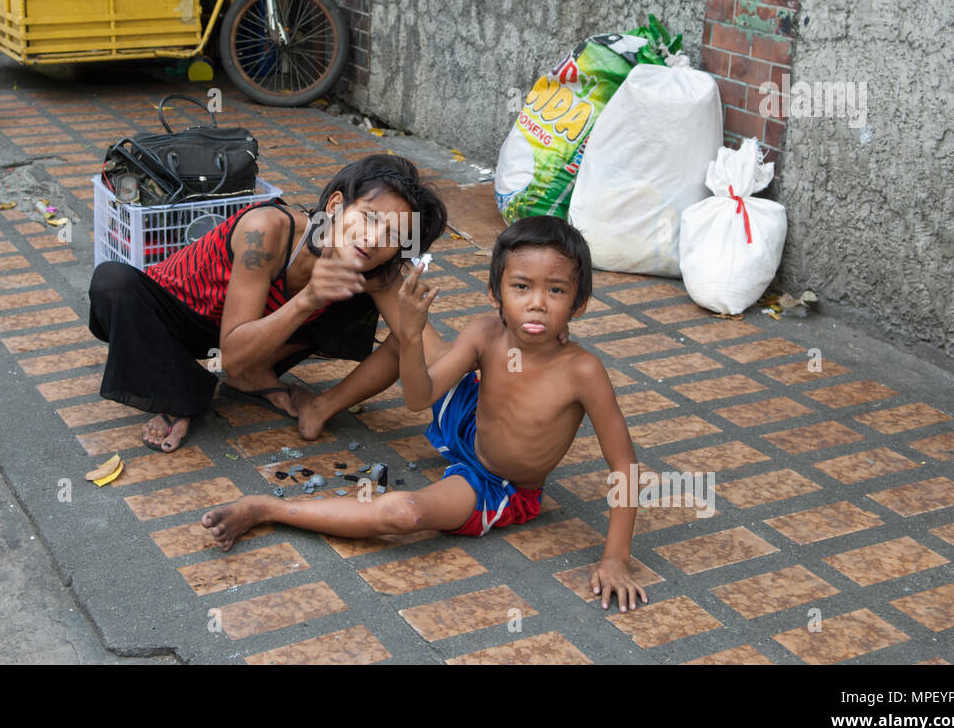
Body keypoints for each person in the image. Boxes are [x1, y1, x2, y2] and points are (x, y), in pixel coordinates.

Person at [202, 215, 649, 612]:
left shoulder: (583, 371)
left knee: (403, 514)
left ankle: (266, 509)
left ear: (579, 303)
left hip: (495, 483)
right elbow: (420, 397)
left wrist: (615, 559)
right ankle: (324, 405)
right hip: (465, 418)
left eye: (556, 290)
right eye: (521, 287)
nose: (537, 302)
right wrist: (412, 336)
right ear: (495, 294)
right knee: (413, 338)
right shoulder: (485, 332)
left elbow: (624, 465)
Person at [88, 154, 450, 453]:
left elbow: (435, 357)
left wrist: (492, 380)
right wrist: (309, 299)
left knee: (402, 326)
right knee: (111, 283)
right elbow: (230, 353)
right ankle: (180, 393)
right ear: (337, 205)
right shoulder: (267, 229)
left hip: (251, 334)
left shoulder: (374, 269)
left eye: (392, 235)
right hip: (178, 318)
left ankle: (270, 385)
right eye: (369, 218)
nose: (373, 239)